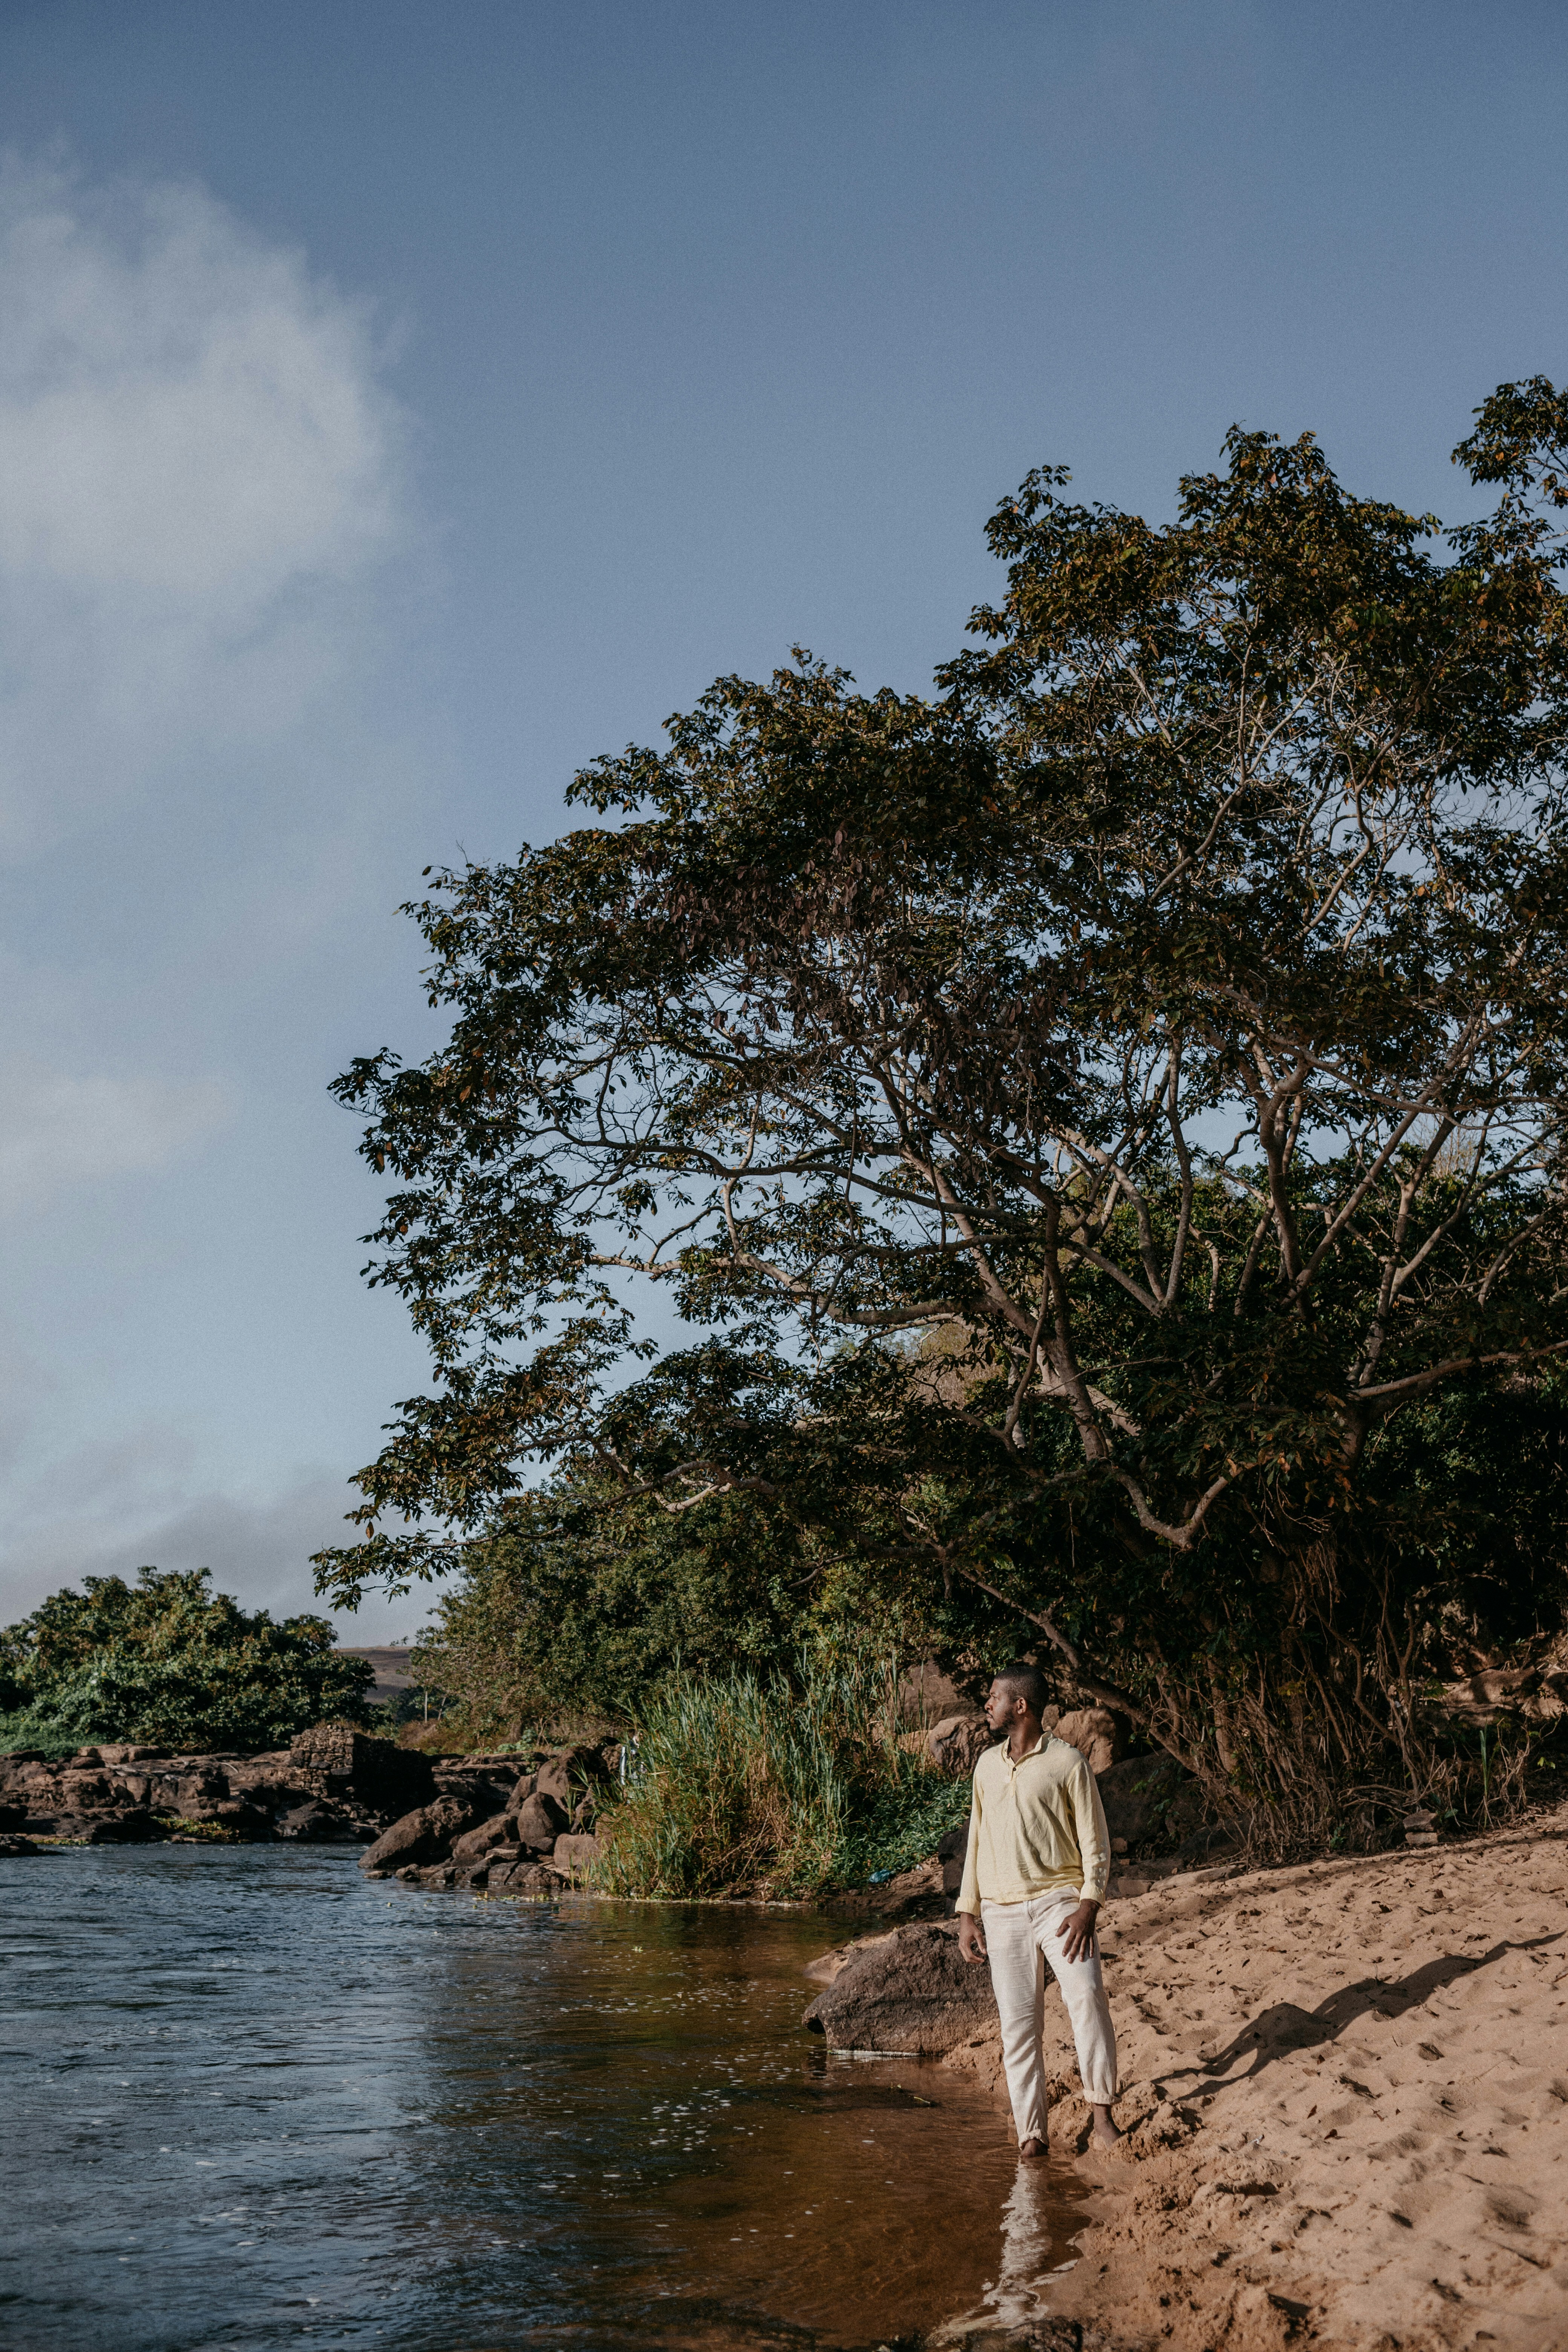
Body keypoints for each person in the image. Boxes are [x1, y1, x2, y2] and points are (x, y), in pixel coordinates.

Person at [955, 1660, 1121, 2156]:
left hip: (1061, 1907)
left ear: (1019, 1706)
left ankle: (1102, 2115)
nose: (988, 1704)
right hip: (1002, 1914)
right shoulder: (986, 1766)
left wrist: (1089, 1905)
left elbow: (1097, 1844)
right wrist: (968, 1914)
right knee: (1018, 2025)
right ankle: (1032, 2135)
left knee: (1087, 1997)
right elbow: (977, 1841)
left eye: (994, 1697)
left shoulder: (1068, 1763)